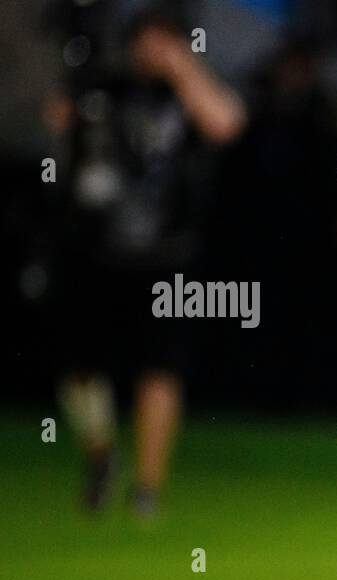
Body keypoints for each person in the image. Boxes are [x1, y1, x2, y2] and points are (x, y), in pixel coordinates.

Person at [46, 0, 245, 517]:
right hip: (98, 249)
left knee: (160, 370)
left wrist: (183, 68)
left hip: (168, 252)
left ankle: (147, 491)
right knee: (79, 370)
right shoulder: (105, 86)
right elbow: (62, 134)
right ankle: (101, 452)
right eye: (147, 39)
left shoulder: (187, 92)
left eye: (165, 39)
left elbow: (226, 124)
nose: (153, 49)